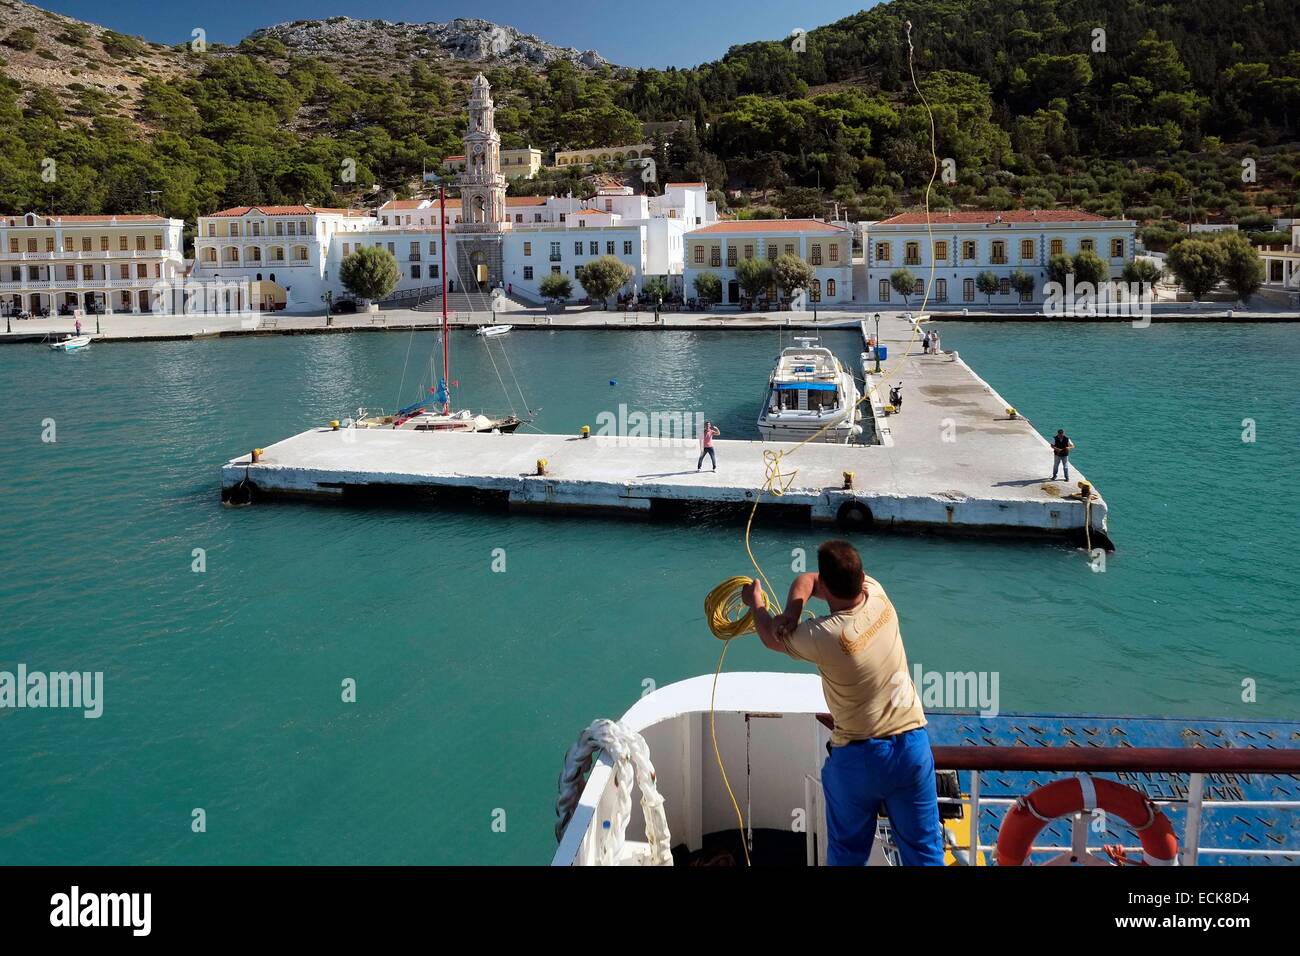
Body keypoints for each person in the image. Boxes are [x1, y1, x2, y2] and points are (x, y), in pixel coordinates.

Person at [740, 540, 944, 866]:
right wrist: (793, 610)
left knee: (847, 856)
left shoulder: (824, 635)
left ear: (828, 588)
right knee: (925, 854)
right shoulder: (878, 594)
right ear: (862, 577)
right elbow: (809, 580)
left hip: (858, 758)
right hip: (911, 748)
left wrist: (757, 604)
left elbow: (768, 636)